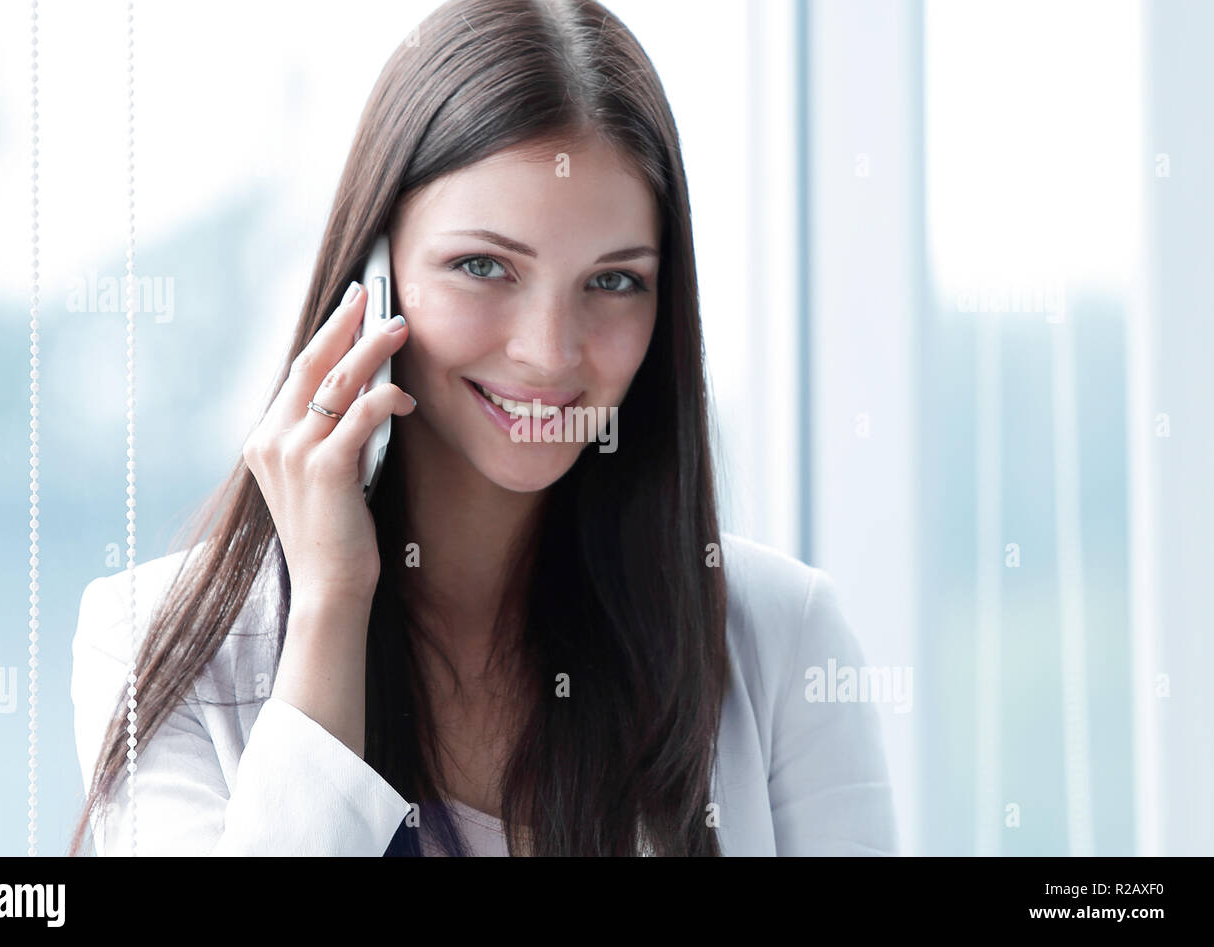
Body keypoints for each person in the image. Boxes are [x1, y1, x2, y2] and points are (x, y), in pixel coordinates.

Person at [68, 0, 898, 857]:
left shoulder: (783, 637)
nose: (547, 353)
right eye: (483, 266)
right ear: (376, 276)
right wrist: (330, 605)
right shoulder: (153, 646)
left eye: (613, 281)